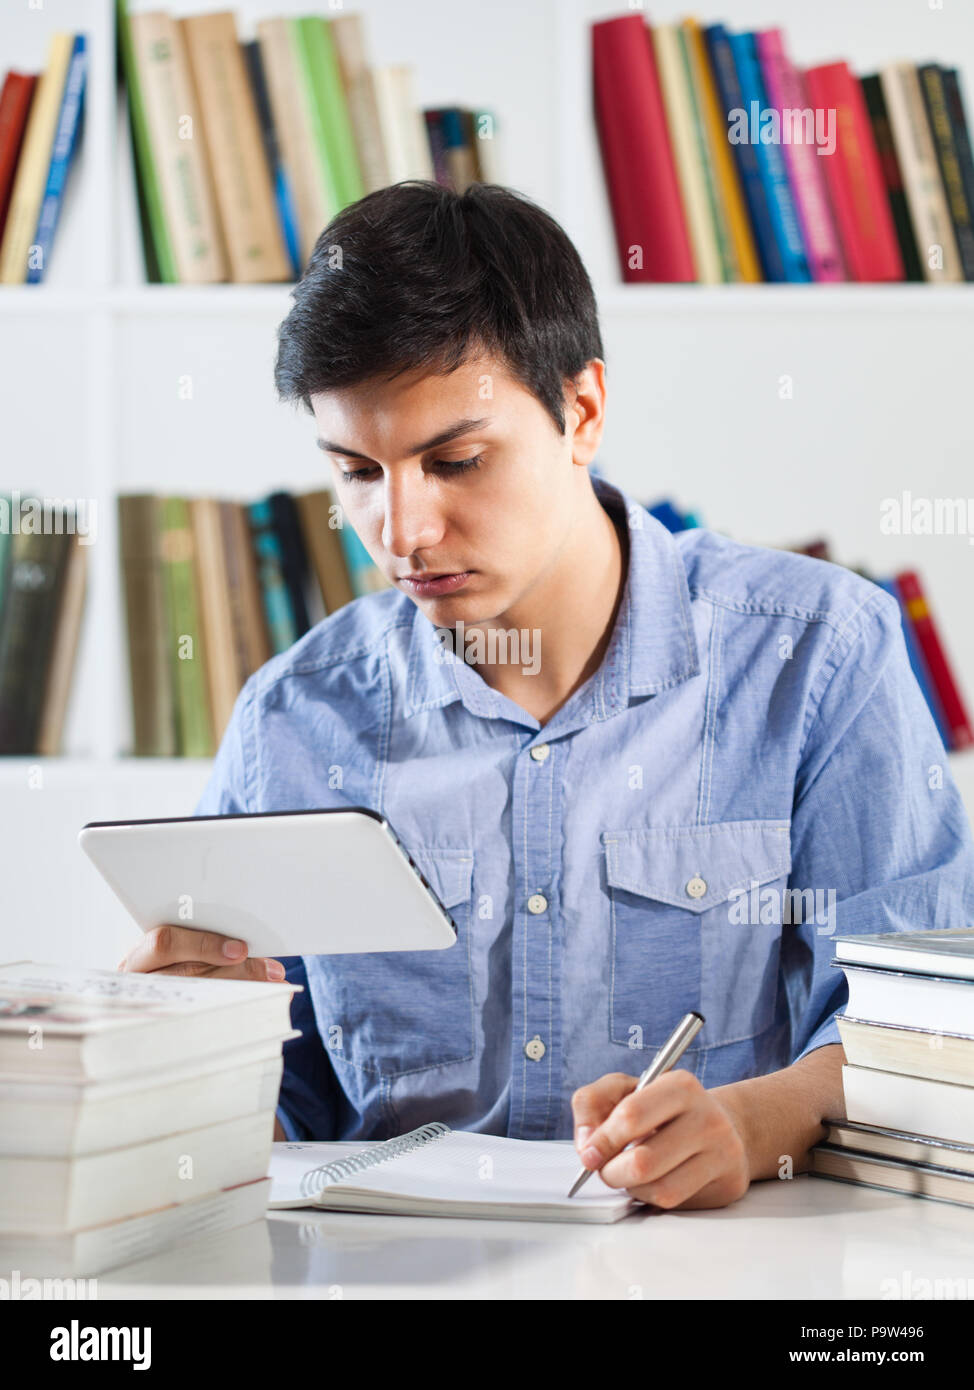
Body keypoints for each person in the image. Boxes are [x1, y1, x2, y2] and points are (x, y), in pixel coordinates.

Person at [119, 181, 974, 1211]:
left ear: (582, 411)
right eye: (354, 471)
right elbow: (275, 1125)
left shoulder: (817, 657)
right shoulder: (291, 722)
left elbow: (919, 1038)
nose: (403, 530)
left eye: (455, 461)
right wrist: (175, 1062)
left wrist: (748, 1125)